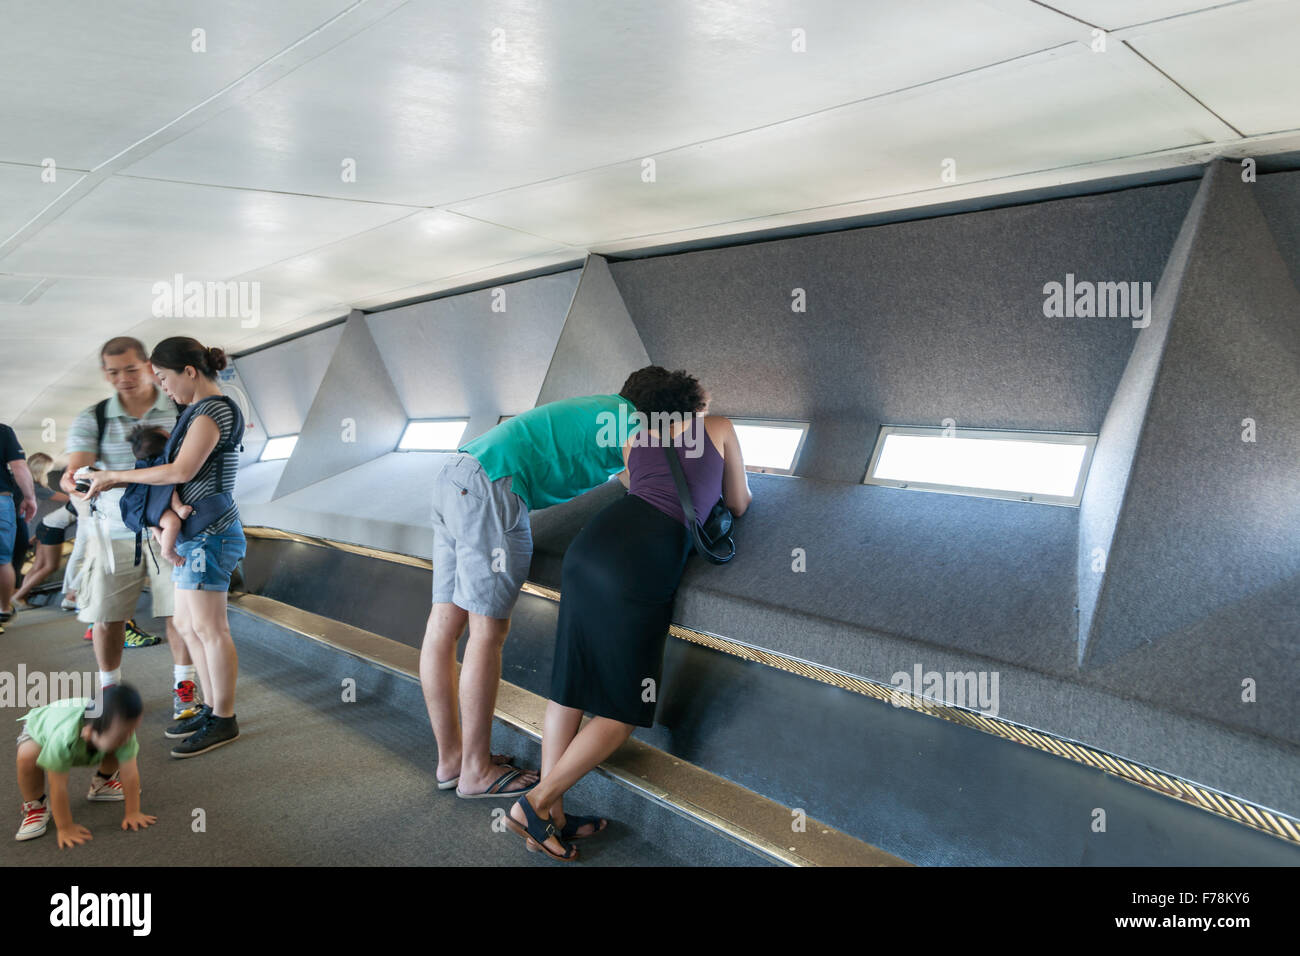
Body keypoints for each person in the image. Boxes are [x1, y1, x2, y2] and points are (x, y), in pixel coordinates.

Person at [505, 368, 752, 861]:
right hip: (638, 564)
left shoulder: (634, 440)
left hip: (589, 549)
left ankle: (552, 814)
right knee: (621, 713)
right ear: (694, 401)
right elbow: (739, 503)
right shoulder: (719, 428)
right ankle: (533, 805)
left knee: (570, 687)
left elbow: (640, 485)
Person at [422, 379, 649, 798]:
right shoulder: (635, 422)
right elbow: (645, 486)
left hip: (455, 475)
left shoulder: (600, 409)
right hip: (492, 489)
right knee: (487, 633)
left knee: (444, 625)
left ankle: (452, 760)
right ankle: (475, 771)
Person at [83, 337, 246, 758]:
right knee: (191, 627)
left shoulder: (213, 410)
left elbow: (182, 469)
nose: (165, 389)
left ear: (189, 371)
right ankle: (210, 708)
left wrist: (116, 477)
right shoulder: (195, 411)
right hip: (196, 533)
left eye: (164, 378)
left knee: (211, 629)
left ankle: (223, 718)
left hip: (212, 531)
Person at [62, 337, 202, 721]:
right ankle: (110, 690)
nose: (122, 379)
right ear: (104, 375)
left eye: (130, 369)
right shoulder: (94, 418)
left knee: (178, 614)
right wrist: (77, 481)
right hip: (114, 534)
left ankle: (184, 688)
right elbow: (74, 474)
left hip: (166, 526)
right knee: (107, 617)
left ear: (148, 366)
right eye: (112, 372)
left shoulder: (178, 409)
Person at [14, 684, 156, 846]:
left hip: (94, 728)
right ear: (89, 733)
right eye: (123, 734)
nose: (129, 737)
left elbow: (130, 773)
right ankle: (35, 805)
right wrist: (65, 827)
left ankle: (104, 782)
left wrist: (133, 812)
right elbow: (58, 786)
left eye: (132, 730)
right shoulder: (63, 738)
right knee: (27, 757)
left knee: (117, 747)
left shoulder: (121, 732)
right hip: (41, 728)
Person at [123, 424, 195, 567]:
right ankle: (167, 552)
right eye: (168, 437)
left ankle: (163, 541)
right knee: (173, 523)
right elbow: (169, 491)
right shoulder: (163, 466)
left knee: (161, 528)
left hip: (143, 511)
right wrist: (178, 507)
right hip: (153, 510)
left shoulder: (143, 467)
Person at [12, 456, 74, 609]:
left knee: (38, 565)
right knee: (49, 566)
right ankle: (17, 597)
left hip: (44, 526)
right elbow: (66, 498)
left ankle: (20, 598)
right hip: (50, 528)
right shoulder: (37, 487)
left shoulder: (30, 484)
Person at [1, 421, 38, 633]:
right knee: (2, 561)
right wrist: (29, 497)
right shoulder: (3, 431)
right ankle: (3, 610)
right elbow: (19, 467)